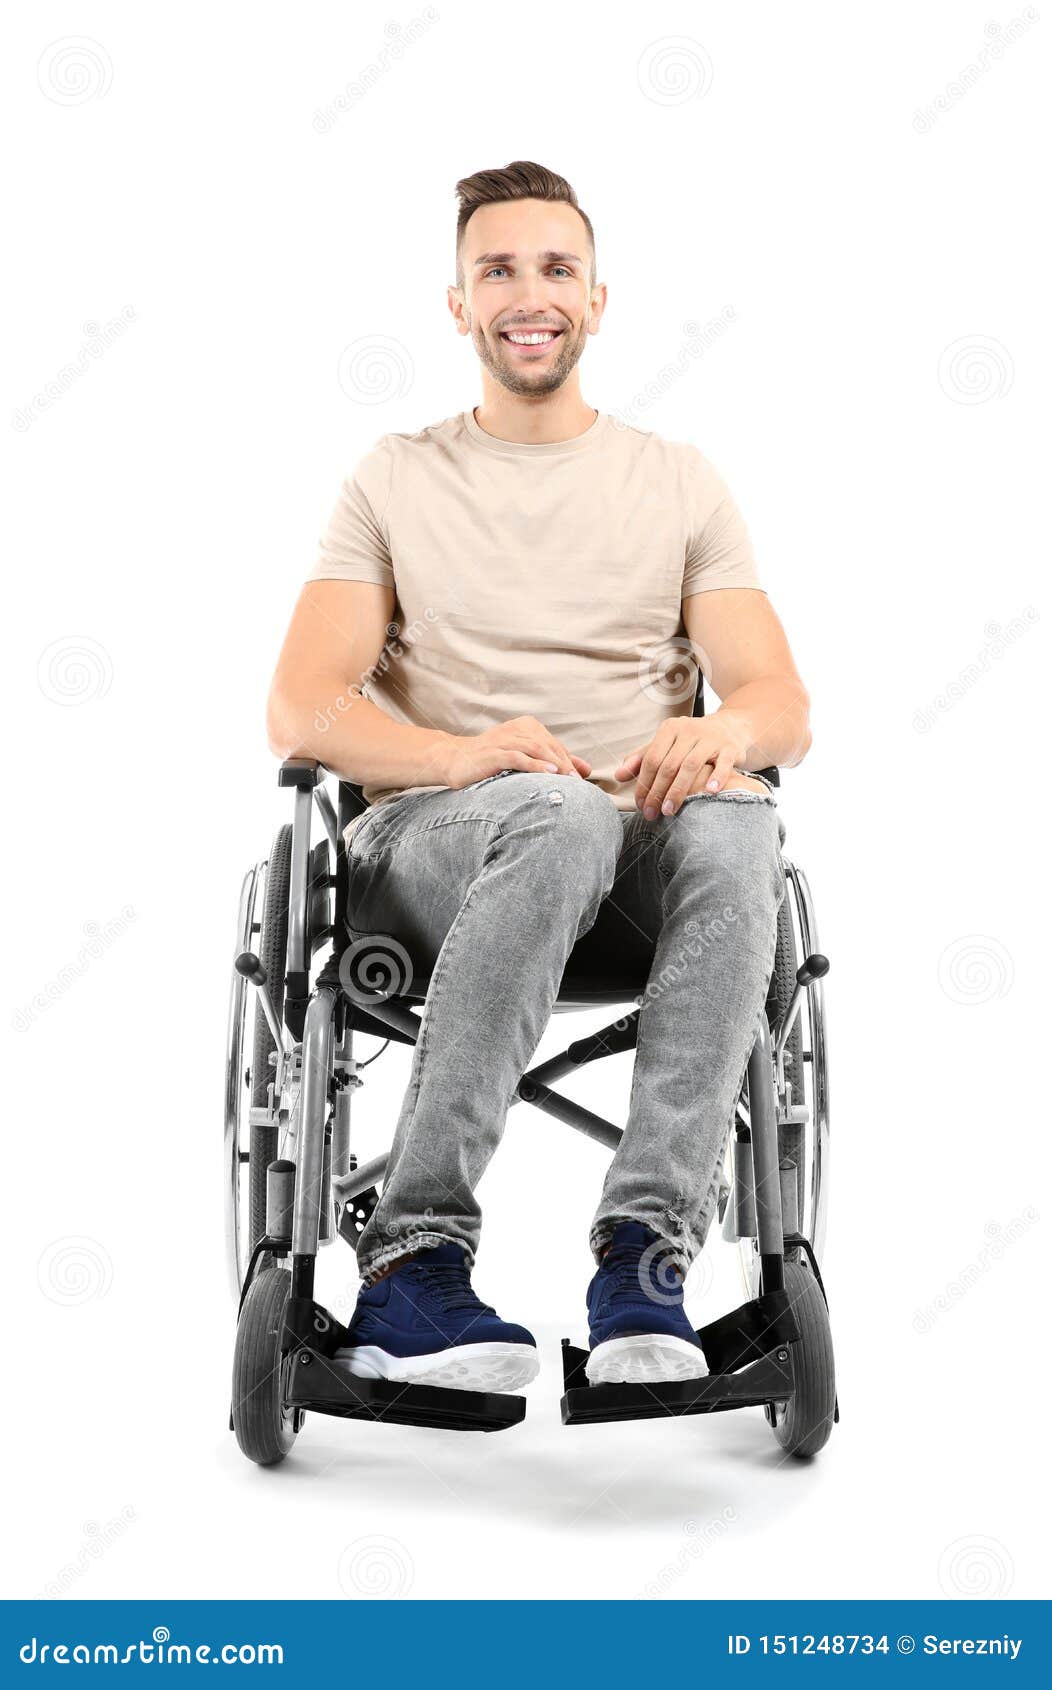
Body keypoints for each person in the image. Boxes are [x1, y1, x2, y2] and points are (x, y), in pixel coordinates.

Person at [266, 160, 812, 1393]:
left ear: (597, 299)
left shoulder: (676, 479)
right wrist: (460, 753)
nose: (529, 293)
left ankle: (643, 1253)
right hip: (434, 849)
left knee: (737, 821)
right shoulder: (395, 477)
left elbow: (780, 704)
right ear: (457, 305)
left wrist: (720, 736)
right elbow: (300, 707)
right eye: (496, 270)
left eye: (554, 268)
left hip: (633, 858)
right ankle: (410, 1260)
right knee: (555, 811)